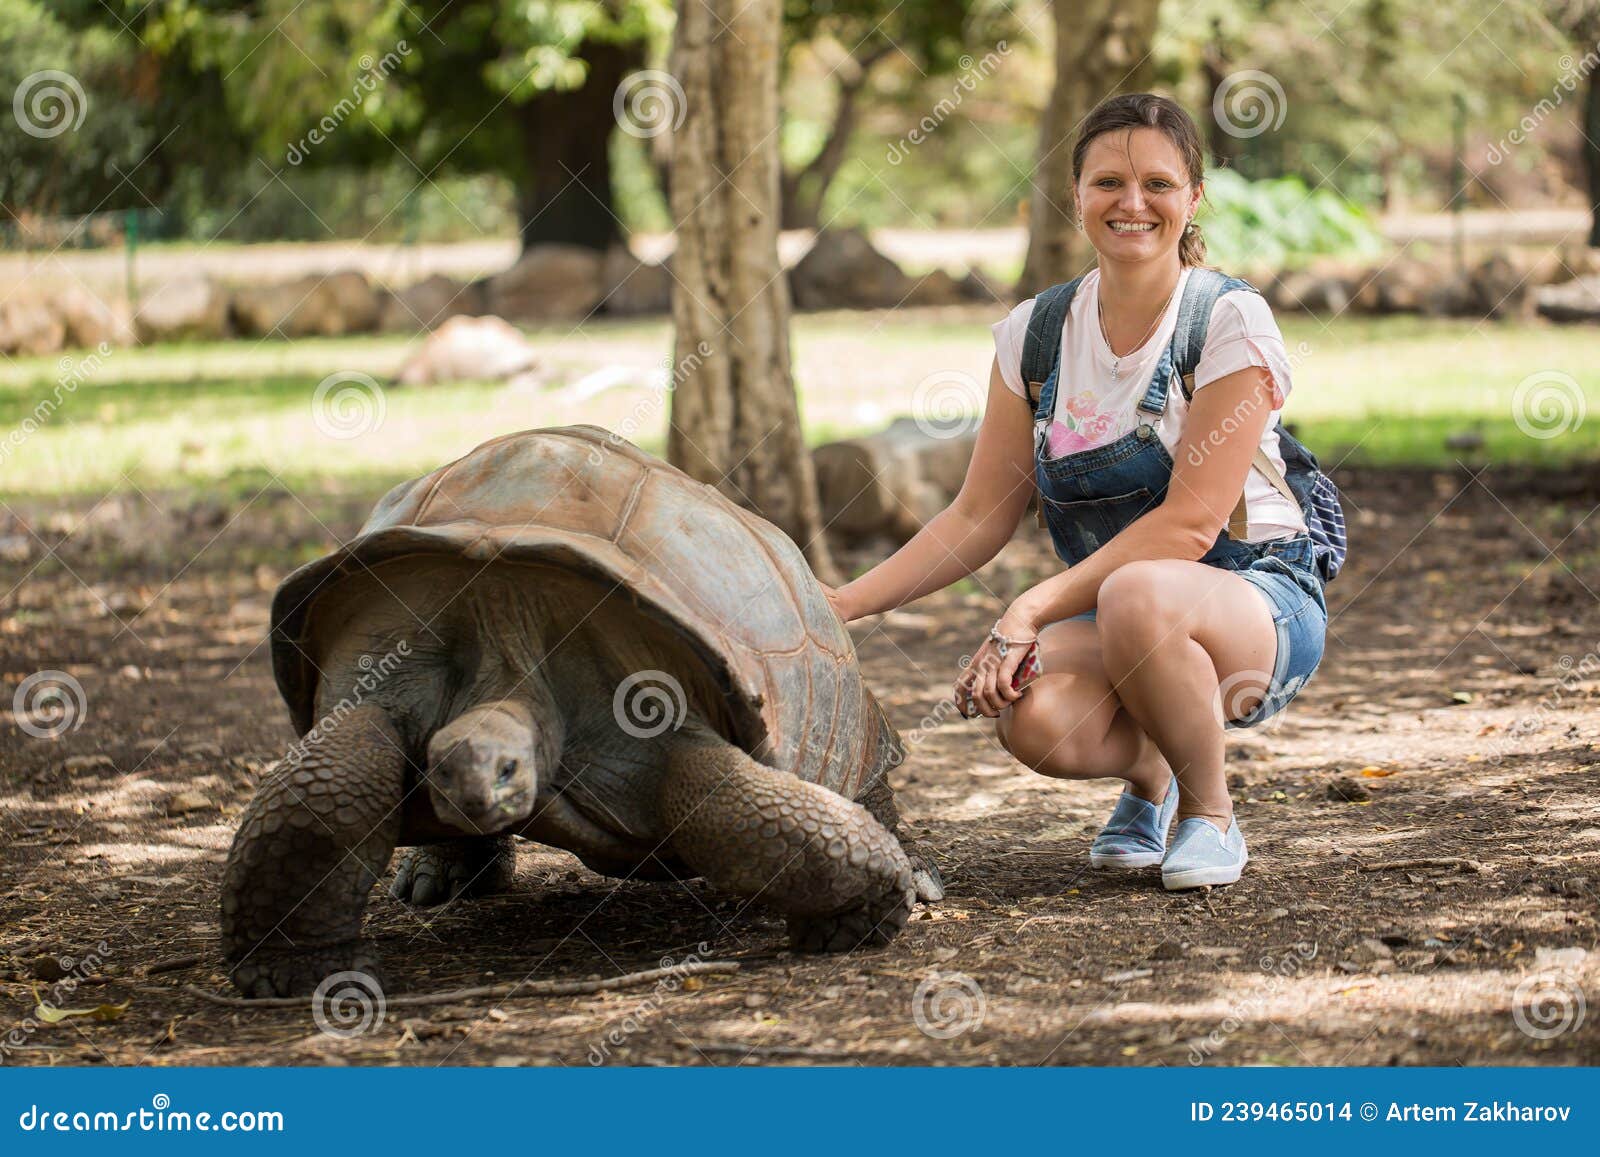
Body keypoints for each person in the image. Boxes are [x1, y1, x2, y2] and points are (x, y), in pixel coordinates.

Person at [819, 92, 1329, 891]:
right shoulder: (1037, 332)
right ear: (1076, 194)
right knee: (1031, 712)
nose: (1132, 203)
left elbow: (1191, 525)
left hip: (1260, 608)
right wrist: (841, 603)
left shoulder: (1227, 320)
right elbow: (980, 514)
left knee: (1134, 595)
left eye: (1158, 184)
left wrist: (1027, 610)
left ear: (1194, 197)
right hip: (1131, 614)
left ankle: (1209, 811)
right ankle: (1152, 773)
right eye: (1108, 183)